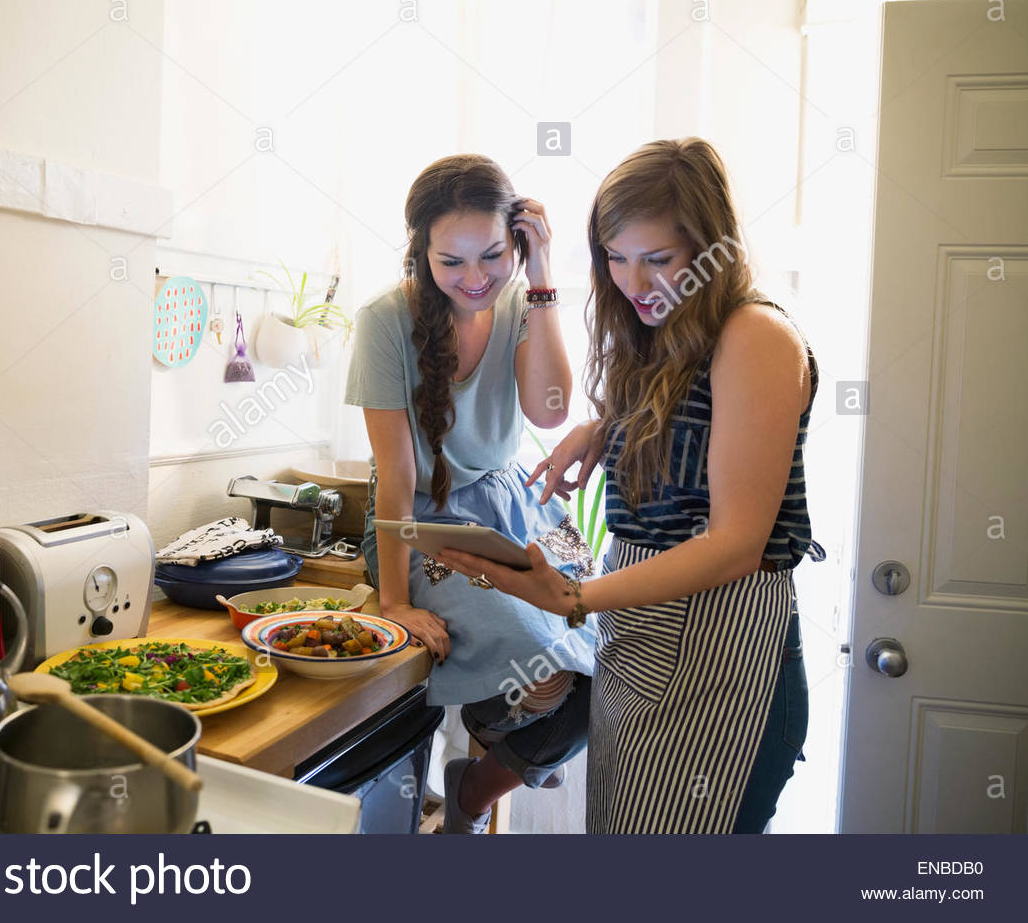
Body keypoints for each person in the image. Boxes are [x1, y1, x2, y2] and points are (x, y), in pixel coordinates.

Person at [436, 138, 826, 834]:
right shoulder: (670, 336)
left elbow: (735, 543)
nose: (634, 283)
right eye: (616, 259)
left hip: (722, 641)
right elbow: (703, 423)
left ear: (714, 246)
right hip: (644, 628)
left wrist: (575, 596)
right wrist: (606, 426)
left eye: (658, 260)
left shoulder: (757, 336)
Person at [343, 154, 598, 834]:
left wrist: (541, 276)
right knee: (545, 675)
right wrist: (394, 601)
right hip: (422, 526)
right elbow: (395, 479)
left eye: (493, 255)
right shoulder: (383, 321)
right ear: (420, 252)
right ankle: (487, 762)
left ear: (515, 242)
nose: (476, 279)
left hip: (516, 508)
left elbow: (549, 412)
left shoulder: (518, 299)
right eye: (451, 262)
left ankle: (469, 795)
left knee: (607, 659)